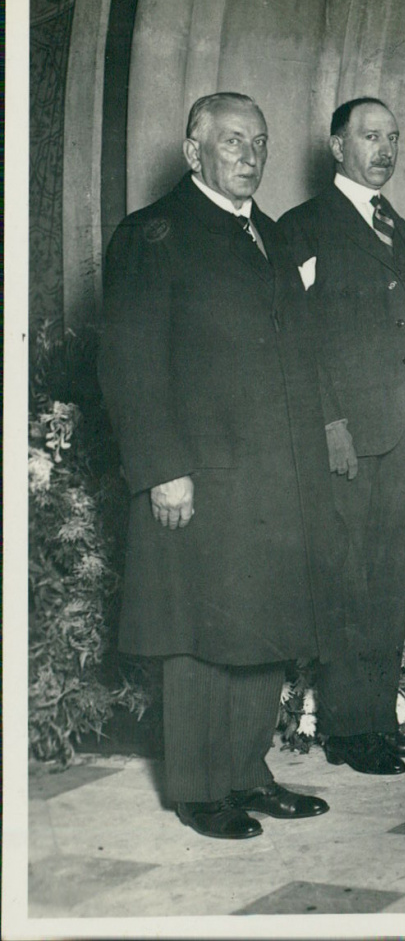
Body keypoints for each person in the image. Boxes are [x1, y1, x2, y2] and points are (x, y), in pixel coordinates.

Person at [99, 93, 337, 839]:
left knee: (260, 625)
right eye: (232, 140)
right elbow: (129, 362)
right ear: (193, 148)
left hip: (271, 477)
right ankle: (201, 790)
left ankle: (247, 771)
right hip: (199, 474)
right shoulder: (154, 235)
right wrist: (161, 467)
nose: (250, 154)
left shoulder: (266, 234)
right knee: (198, 632)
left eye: (259, 142)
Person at [280, 98, 405, 776]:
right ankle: (349, 732)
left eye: (393, 137)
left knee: (385, 581)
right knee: (349, 582)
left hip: (403, 430)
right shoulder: (306, 227)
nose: (384, 148)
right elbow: (298, 341)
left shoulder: (393, 222)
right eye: (370, 136)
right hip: (347, 434)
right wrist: (328, 423)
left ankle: (377, 717)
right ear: (336, 145)